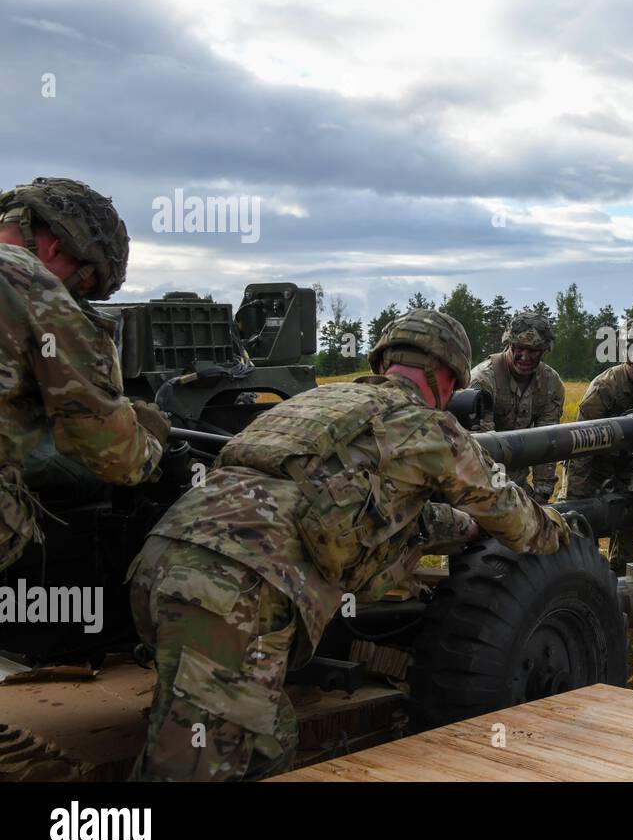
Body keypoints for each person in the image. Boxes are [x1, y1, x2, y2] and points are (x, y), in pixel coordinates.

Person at [129, 309, 570, 781]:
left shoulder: (314, 405)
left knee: (264, 746)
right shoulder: (430, 428)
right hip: (233, 597)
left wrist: (463, 527)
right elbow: (517, 521)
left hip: (162, 563)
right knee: (197, 769)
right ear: (446, 376)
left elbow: (368, 510)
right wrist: (560, 528)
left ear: (384, 363)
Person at [0, 177, 168, 571]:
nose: (74, 300)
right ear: (57, 245)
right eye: (81, 287)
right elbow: (116, 458)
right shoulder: (26, 278)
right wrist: (151, 436)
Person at [564, 318, 633, 574]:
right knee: (583, 536)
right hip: (596, 467)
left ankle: (622, 589)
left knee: (628, 540)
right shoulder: (605, 387)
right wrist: (576, 498)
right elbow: (580, 446)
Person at [468, 311, 566, 502]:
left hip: (516, 482)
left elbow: (549, 440)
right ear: (509, 345)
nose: (524, 356)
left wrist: (542, 493)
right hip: (479, 480)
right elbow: (482, 447)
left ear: (545, 350)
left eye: (534, 351)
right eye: (519, 348)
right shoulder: (482, 380)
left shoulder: (550, 384)